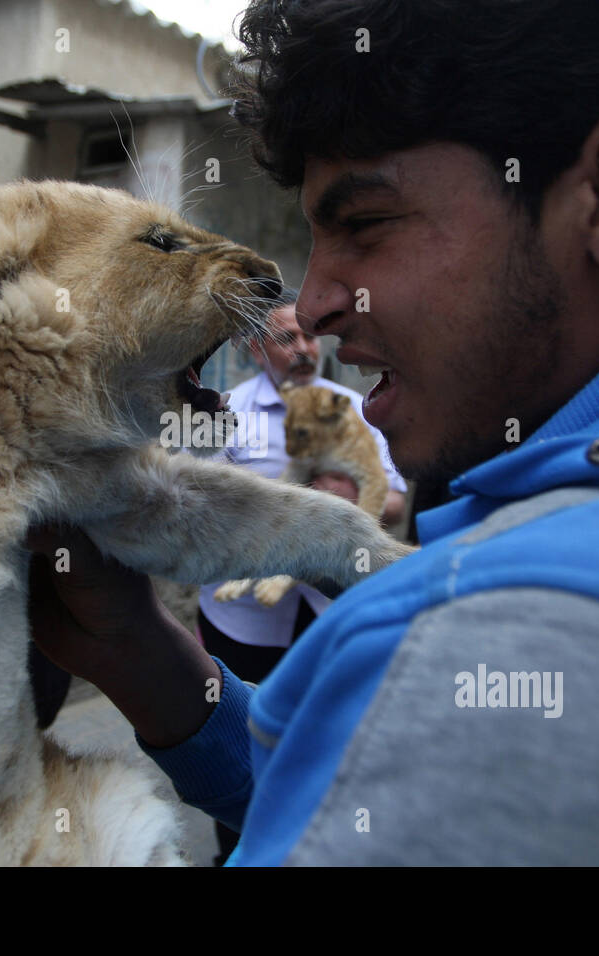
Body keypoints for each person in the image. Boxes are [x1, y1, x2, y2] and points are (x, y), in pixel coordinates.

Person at [26, 0, 599, 865]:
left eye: (365, 224)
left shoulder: (524, 633)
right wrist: (149, 665)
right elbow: (367, 800)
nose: (312, 304)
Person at [198, 299, 406, 862]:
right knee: (239, 744)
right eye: (286, 338)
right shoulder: (223, 412)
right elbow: (207, 512)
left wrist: (349, 503)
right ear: (253, 348)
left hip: (332, 615)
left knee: (331, 741)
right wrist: (307, 512)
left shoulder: (356, 409)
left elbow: (393, 497)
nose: (304, 350)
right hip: (242, 623)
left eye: (310, 337)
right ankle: (239, 850)